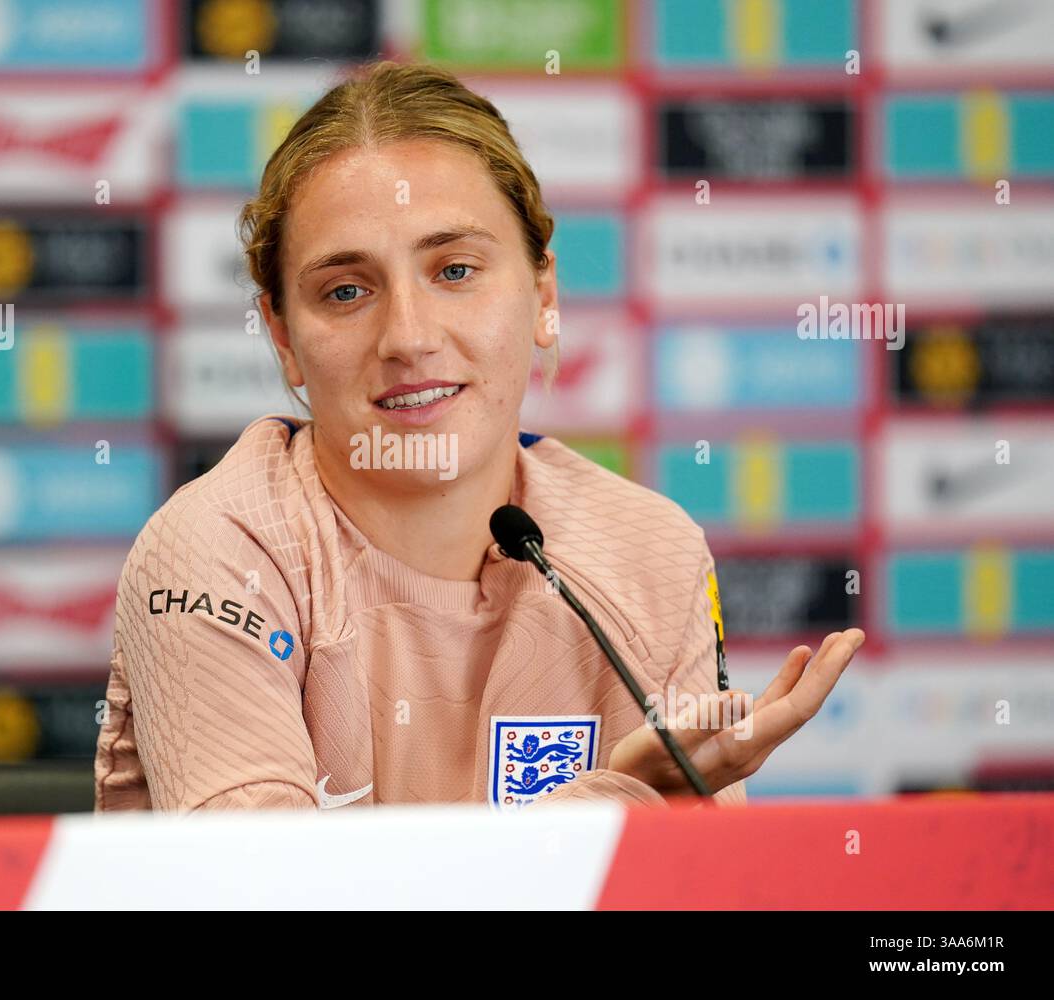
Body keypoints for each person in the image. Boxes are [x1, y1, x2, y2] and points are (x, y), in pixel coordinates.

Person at [94, 60, 864, 813]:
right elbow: (272, 894)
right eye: (347, 290)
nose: (408, 335)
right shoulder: (216, 554)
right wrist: (618, 803)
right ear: (285, 338)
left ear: (543, 293)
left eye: (455, 270)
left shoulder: (647, 551)